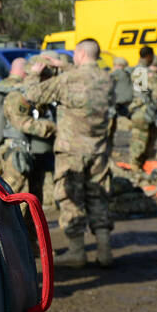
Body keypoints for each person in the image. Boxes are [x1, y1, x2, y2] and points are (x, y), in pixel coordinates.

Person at [24, 38, 114, 268]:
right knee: (98, 194)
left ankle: (76, 252)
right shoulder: (106, 79)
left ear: (80, 54)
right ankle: (104, 250)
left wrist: (35, 73)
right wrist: (64, 66)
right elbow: (86, 80)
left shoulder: (67, 80)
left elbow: (33, 94)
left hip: (72, 150)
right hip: (99, 149)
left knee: (70, 197)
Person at [1, 54, 60, 204]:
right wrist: (53, 128)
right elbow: (22, 123)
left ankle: (31, 227)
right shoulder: (18, 95)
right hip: (17, 151)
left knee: (34, 199)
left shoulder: (40, 96)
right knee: (14, 195)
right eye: (45, 79)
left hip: (36, 151)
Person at [127, 45, 157, 166]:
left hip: (144, 110)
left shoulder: (142, 69)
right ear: (149, 56)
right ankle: (134, 168)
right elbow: (141, 93)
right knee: (139, 141)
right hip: (141, 111)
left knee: (145, 141)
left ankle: (137, 167)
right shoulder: (140, 70)